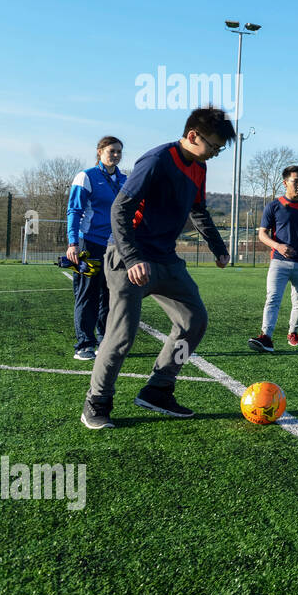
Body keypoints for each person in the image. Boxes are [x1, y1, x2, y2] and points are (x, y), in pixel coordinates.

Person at [80, 107, 234, 429]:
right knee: (121, 336)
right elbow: (120, 209)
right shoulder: (157, 160)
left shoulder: (199, 169)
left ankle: (158, 388)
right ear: (193, 136)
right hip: (129, 257)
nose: (215, 154)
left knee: (194, 321)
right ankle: (97, 401)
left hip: (165, 259)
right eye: (214, 147)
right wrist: (133, 258)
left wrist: (219, 248)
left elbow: (199, 211)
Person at [66, 136, 127, 360]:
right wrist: (72, 243)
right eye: (112, 151)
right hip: (87, 244)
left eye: (120, 151)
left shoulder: (124, 180)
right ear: (100, 151)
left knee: (110, 294)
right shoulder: (86, 176)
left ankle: (104, 339)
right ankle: (84, 344)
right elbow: (74, 211)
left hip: (114, 247)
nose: (116, 155)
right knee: (87, 293)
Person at [248, 165, 298, 351]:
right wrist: (277, 245)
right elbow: (262, 234)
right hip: (279, 261)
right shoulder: (273, 206)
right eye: (296, 181)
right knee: (272, 298)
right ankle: (266, 337)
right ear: (285, 182)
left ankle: (293, 333)